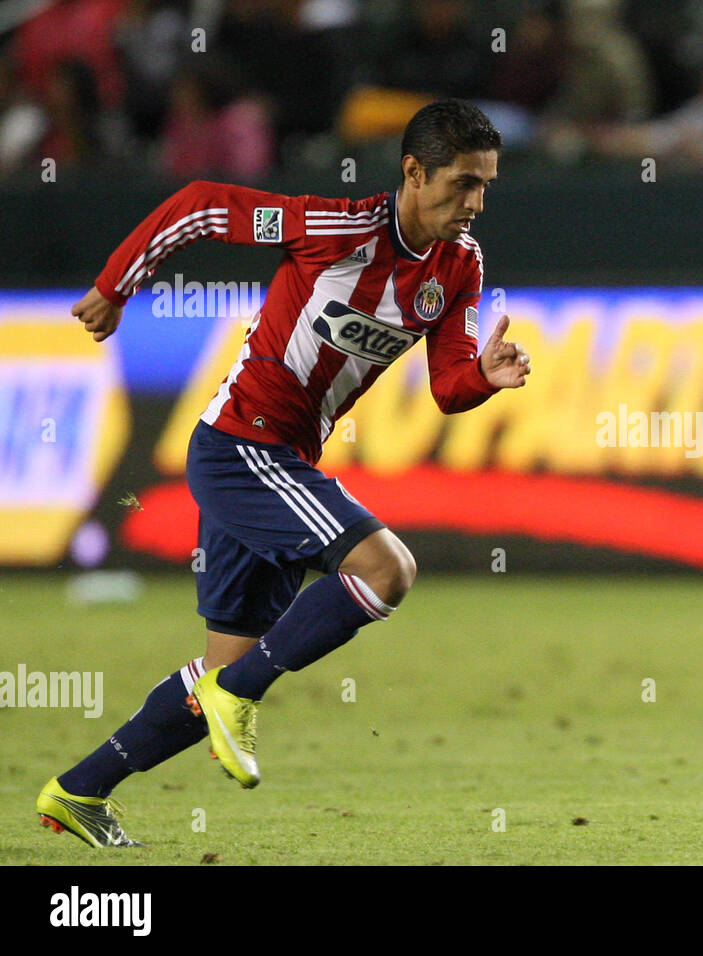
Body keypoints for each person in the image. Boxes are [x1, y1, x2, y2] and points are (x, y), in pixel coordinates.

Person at [37, 99, 530, 848]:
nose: (476, 204)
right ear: (412, 172)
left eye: (486, 186)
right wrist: (116, 285)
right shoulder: (334, 229)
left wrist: (485, 376)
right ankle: (239, 694)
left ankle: (78, 790)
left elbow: (448, 383)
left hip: (285, 459)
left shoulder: (460, 267)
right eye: (462, 184)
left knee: (219, 664)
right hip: (241, 447)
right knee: (387, 569)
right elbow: (202, 206)